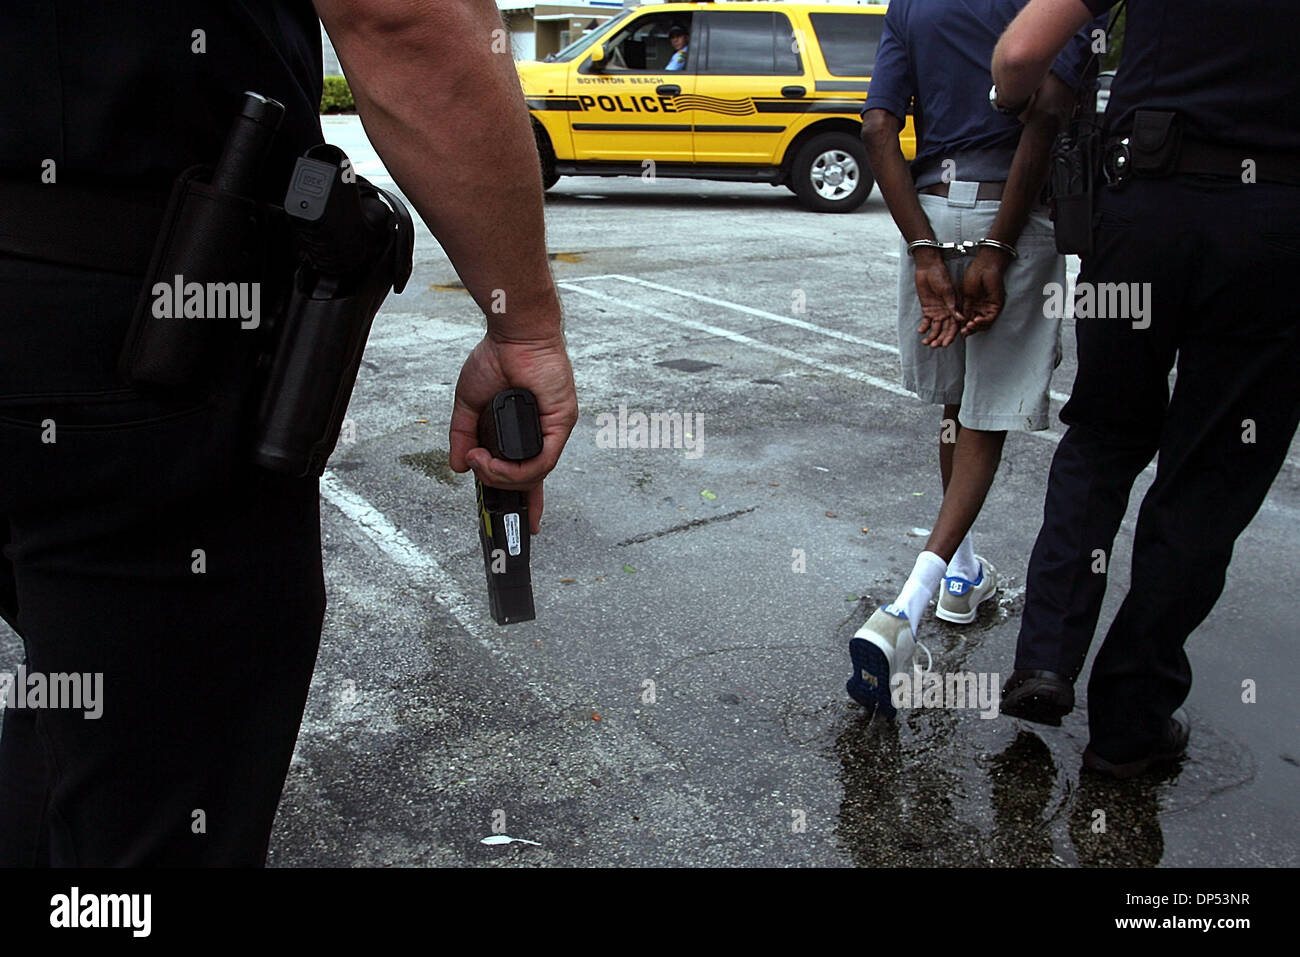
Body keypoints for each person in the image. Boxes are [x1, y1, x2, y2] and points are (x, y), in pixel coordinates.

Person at [0, 0, 577, 865]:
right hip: (129, 334)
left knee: (78, 700)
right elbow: (401, 18)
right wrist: (522, 324)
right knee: (155, 786)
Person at [993, 0, 1300, 777]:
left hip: (1140, 209)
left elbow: (1021, 56)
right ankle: (1130, 721)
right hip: (1275, 229)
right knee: (1209, 477)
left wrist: (1006, 100)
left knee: (1101, 434)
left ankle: (1047, 658)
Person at [847, 0, 1096, 716]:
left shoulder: (913, 5)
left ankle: (963, 573)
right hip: (1010, 211)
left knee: (959, 410)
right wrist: (1000, 245)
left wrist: (924, 247)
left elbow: (876, 127)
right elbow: (1045, 118)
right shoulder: (1052, 9)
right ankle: (907, 606)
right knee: (984, 421)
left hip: (931, 208)